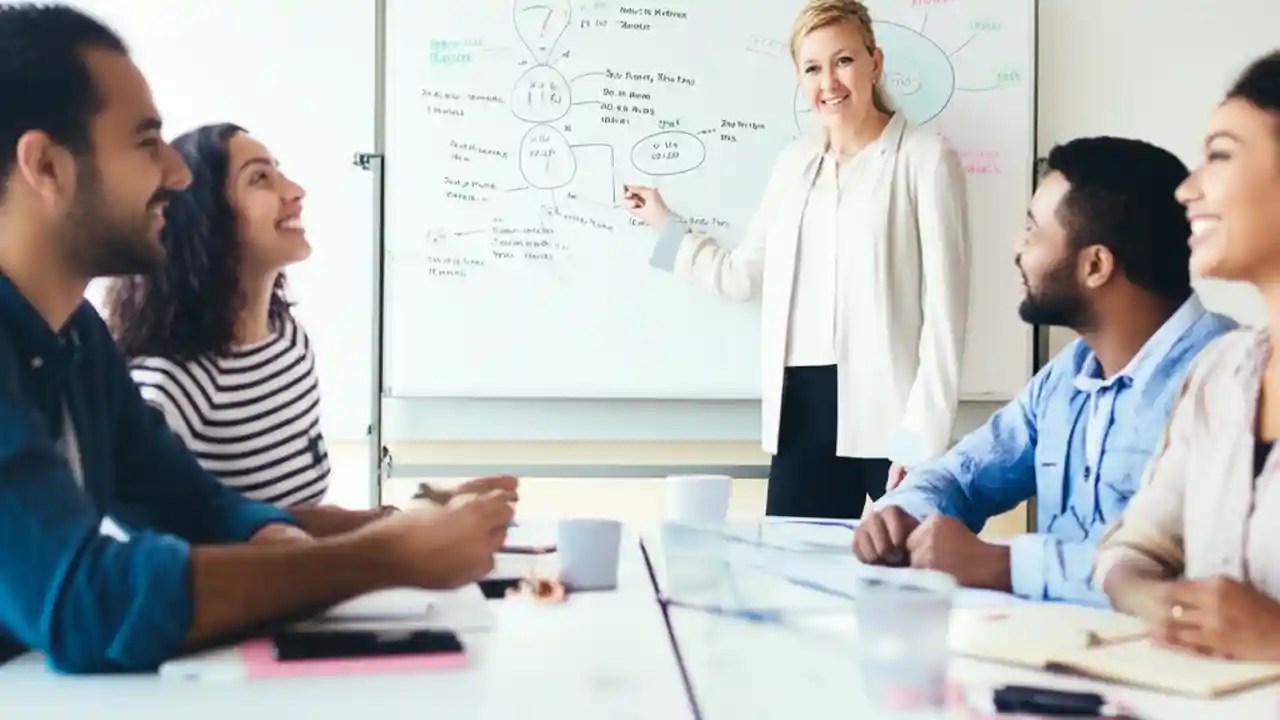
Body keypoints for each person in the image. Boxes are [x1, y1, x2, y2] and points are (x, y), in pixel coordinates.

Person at [0, 4, 513, 673]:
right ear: (46, 166)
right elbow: (86, 603)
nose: (178, 174)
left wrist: (304, 535)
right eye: (146, 142)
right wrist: (388, 554)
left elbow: (192, 503)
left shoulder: (76, 337)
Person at [623, 0, 970, 519]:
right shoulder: (794, 166)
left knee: (912, 561)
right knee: (789, 563)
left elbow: (946, 320)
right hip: (802, 412)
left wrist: (921, 440)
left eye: (843, 61)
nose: (829, 82)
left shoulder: (925, 158)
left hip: (893, 416)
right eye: (812, 68)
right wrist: (664, 226)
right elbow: (740, 277)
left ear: (874, 63)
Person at [854, 136, 1236, 605]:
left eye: (1032, 231)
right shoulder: (1067, 376)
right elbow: (962, 475)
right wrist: (903, 514)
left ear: (1095, 265)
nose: (1017, 249)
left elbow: (1200, 576)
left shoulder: (1228, 380)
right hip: (1054, 644)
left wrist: (1005, 565)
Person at [102, 123, 511, 534]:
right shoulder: (173, 381)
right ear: (205, 216)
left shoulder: (286, 339)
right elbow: (149, 538)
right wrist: (396, 529)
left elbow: (301, 524)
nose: (295, 191)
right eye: (260, 178)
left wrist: (419, 518)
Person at [1098, 51, 1280, 661]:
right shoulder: (1222, 374)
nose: (1187, 188)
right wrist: (1158, 603)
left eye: (1220, 156)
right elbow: (1133, 551)